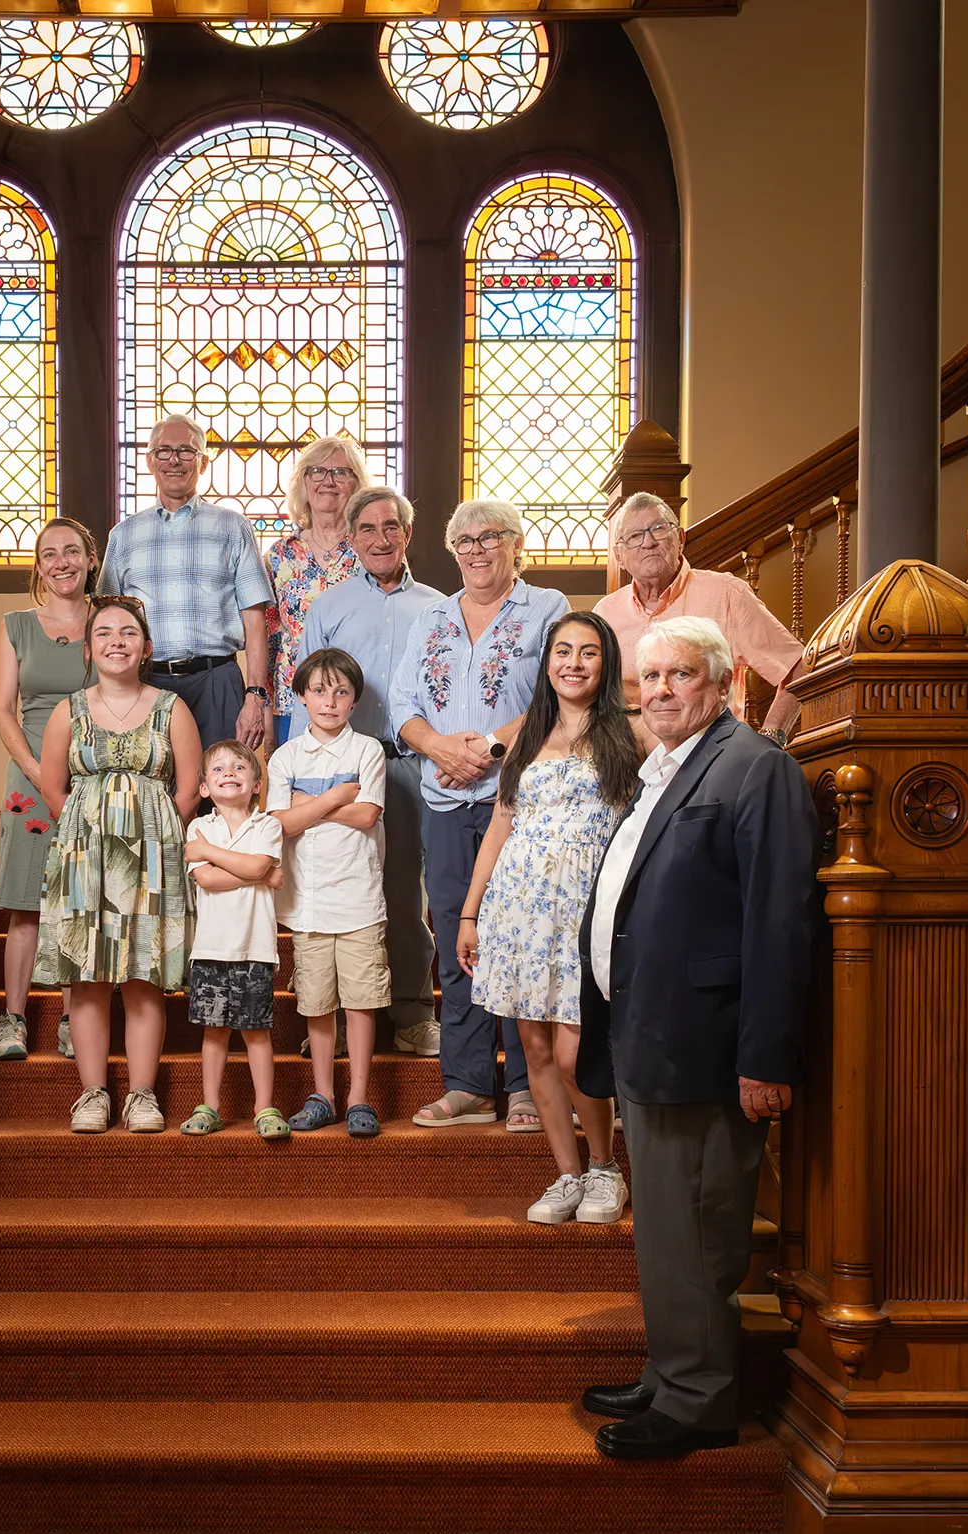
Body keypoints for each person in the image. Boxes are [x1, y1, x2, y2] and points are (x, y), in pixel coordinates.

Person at [574, 615, 815, 1460]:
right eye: (650, 676)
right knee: (668, 1229)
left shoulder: (756, 769)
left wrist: (762, 1058)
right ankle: (673, 1368)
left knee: (701, 1231)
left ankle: (698, 1402)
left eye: (681, 674)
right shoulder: (662, 770)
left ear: (723, 684)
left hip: (710, 1049)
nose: (662, 690)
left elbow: (778, 924)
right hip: (652, 1036)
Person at [388, 498, 569, 1133]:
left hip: (515, 799)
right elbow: (403, 703)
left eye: (490, 537)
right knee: (455, 937)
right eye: (463, 540)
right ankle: (468, 1084)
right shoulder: (433, 617)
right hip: (443, 797)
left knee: (519, 937)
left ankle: (524, 1085)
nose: (476, 548)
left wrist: (490, 748)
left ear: (515, 544)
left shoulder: (545, 609)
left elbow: (560, 692)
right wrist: (438, 747)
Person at [457, 613, 637, 1225]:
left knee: (574, 1054)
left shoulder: (628, 734)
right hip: (519, 908)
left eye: (588, 652)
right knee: (533, 1050)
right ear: (548, 662)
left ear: (606, 663)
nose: (574, 663)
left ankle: (607, 1169)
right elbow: (500, 827)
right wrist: (469, 912)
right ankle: (568, 1173)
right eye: (563, 651)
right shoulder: (528, 736)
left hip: (587, 909)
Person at [34, 594, 203, 1134]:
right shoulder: (69, 711)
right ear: (89, 648)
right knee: (86, 977)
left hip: (152, 861)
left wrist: (149, 840)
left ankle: (142, 1095)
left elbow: (186, 792)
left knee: (142, 976)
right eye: (104, 633)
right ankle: (92, 1094)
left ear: (146, 646)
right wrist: (91, 832)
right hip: (84, 859)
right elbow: (55, 789)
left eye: (128, 633)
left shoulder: (171, 708)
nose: (116, 642)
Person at [303, 486, 444, 1057]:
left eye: (392, 527)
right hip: (341, 768)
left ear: (407, 535)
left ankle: (412, 1011)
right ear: (353, 538)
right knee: (338, 890)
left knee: (405, 892)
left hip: (411, 766)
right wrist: (300, 777)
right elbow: (305, 695)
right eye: (368, 529)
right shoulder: (328, 607)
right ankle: (334, 1019)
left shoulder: (439, 608)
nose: (381, 539)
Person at [0, 517, 98, 1064]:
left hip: (91, 776)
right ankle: (13, 1020)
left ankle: (68, 1019)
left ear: (89, 559)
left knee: (78, 901)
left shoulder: (108, 621)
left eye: (72, 551)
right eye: (50, 554)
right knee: (26, 905)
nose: (62, 562)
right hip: (29, 773)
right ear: (38, 565)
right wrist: (36, 770)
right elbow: (1, 710)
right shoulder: (15, 624)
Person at [99, 414, 275, 752]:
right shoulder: (123, 536)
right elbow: (108, 623)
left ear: (204, 462)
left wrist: (255, 696)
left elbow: (255, 621)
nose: (174, 460)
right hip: (146, 682)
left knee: (225, 787)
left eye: (186, 451)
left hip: (217, 681)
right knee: (150, 791)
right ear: (150, 461)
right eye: (163, 451)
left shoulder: (234, 528)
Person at [267, 647, 387, 1139]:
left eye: (341, 692)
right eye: (319, 691)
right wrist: (339, 795)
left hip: (359, 899)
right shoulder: (285, 756)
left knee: (359, 1002)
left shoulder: (367, 751)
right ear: (300, 697)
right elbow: (279, 823)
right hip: (308, 904)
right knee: (316, 1004)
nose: (330, 701)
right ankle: (324, 1094)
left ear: (354, 701)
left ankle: (359, 1095)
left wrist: (315, 802)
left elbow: (366, 814)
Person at [594, 492, 806, 744]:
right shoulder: (605, 614)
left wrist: (771, 738)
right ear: (619, 555)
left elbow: (799, 667)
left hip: (713, 756)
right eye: (634, 536)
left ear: (680, 538)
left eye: (658, 529)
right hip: (630, 759)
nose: (648, 543)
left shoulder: (727, 595)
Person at [179, 741, 289, 1141]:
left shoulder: (267, 826)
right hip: (210, 948)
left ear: (256, 785)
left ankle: (264, 1106)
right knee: (215, 1030)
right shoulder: (199, 827)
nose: (229, 773)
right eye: (219, 769)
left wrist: (212, 854)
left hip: (255, 948)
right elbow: (206, 879)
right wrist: (260, 874)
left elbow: (260, 863)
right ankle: (211, 1105)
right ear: (205, 787)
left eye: (240, 768)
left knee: (257, 1031)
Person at [265, 434, 368, 744]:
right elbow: (269, 640)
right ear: (304, 483)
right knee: (299, 791)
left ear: (355, 484)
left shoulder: (371, 550)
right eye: (317, 471)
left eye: (341, 472)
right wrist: (266, 710)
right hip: (293, 701)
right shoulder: (279, 555)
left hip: (357, 698)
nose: (328, 481)